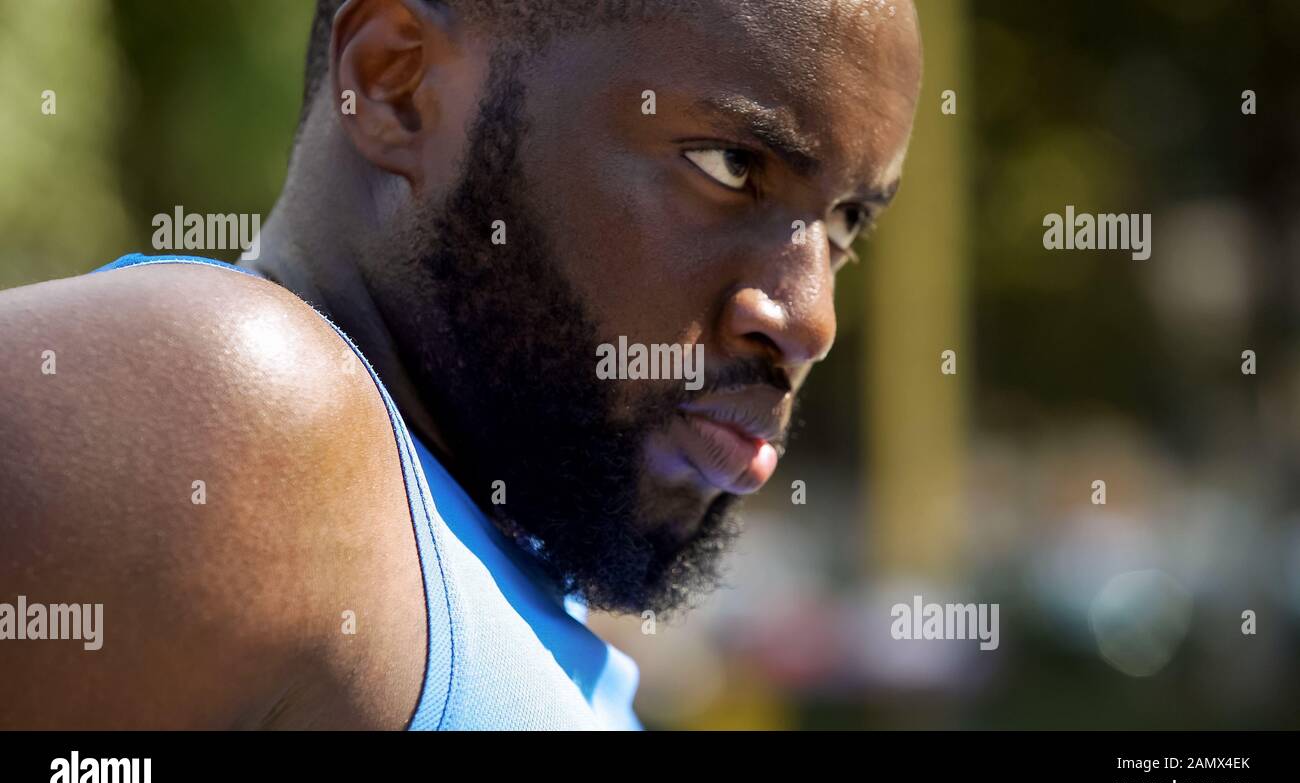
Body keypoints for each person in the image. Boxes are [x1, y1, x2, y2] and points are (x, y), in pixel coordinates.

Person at [0, 0, 921, 729]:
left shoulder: (449, 560)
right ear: (395, 84)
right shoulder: (238, 414)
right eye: (729, 163)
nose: (808, 320)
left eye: (845, 224)